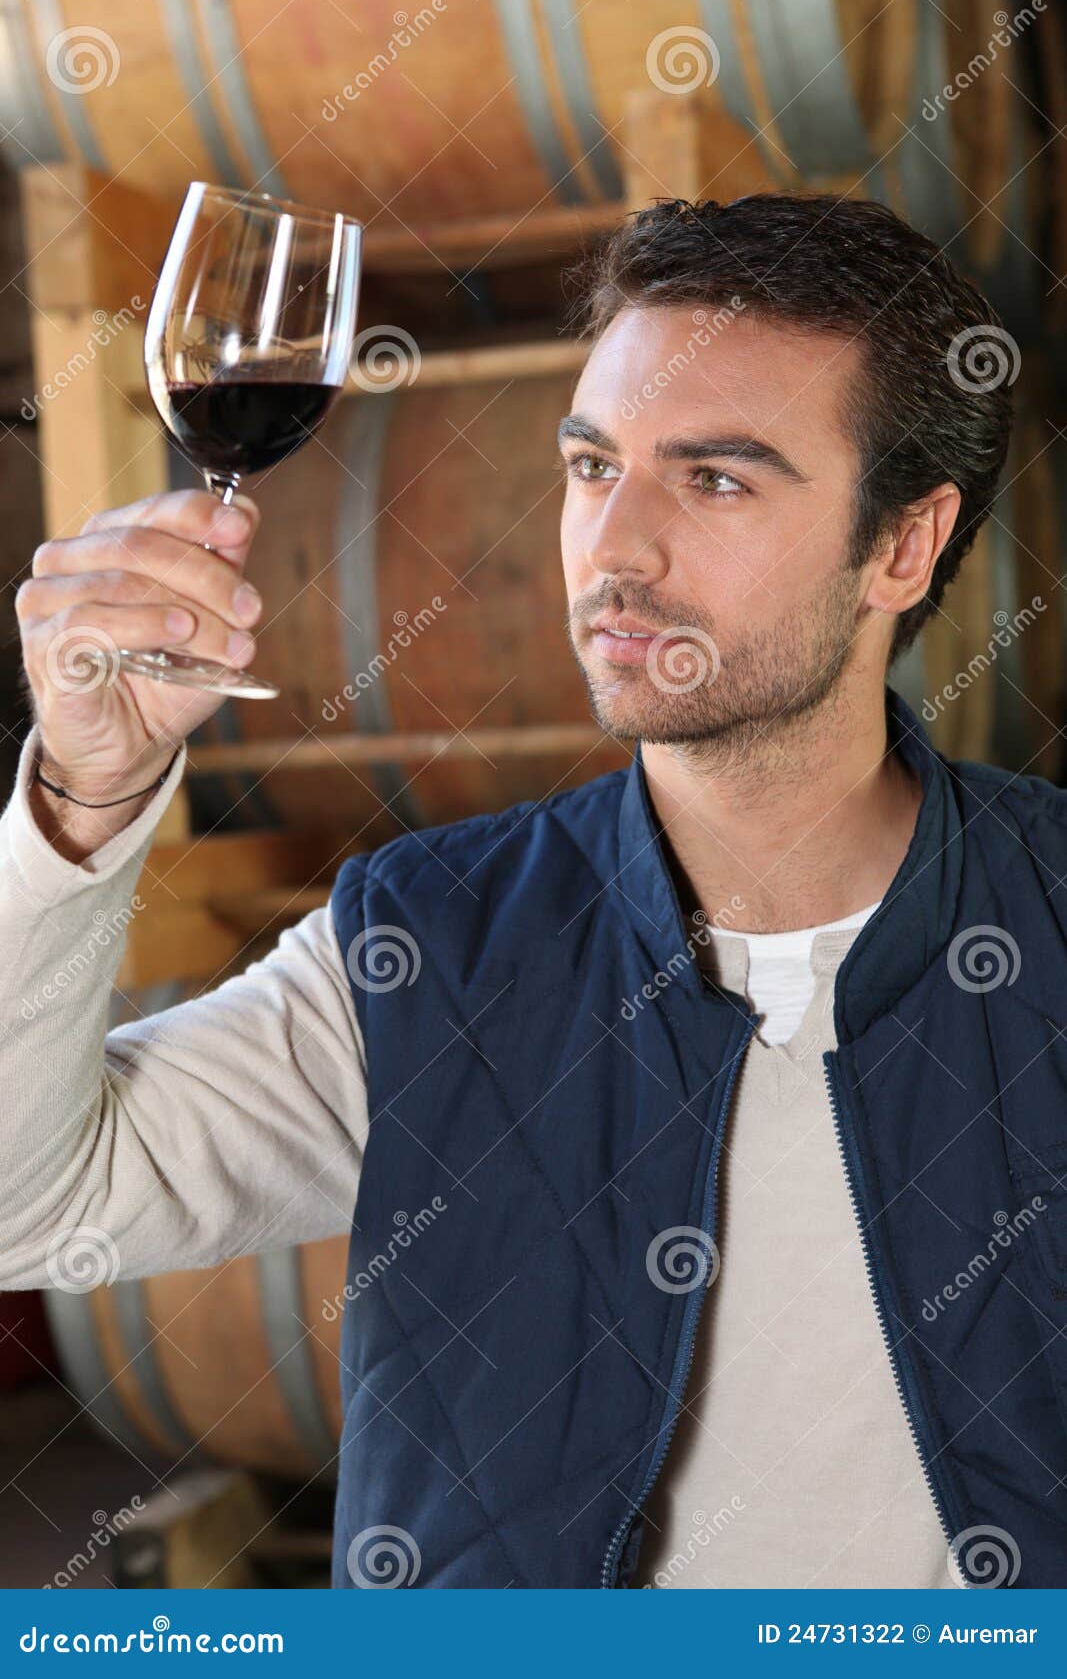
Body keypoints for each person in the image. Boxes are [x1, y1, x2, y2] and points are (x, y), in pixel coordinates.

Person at [2, 193, 1063, 1591]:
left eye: (715, 480)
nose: (614, 548)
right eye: (591, 464)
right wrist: (83, 796)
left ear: (903, 547)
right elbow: (31, 1202)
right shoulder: (428, 946)